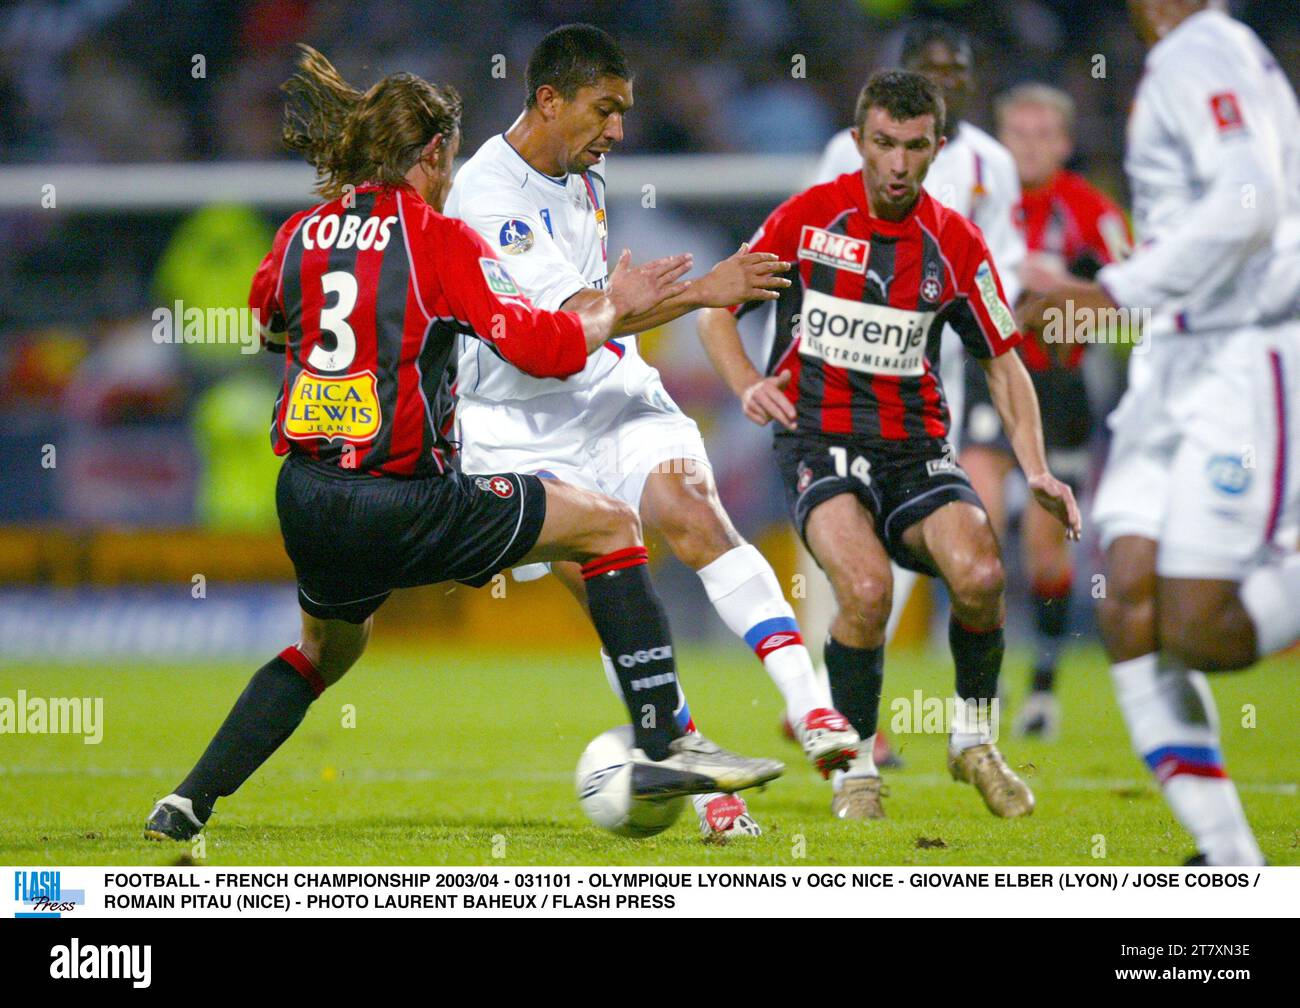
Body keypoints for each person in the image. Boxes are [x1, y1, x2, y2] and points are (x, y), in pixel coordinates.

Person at [145, 46, 783, 842]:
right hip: (406, 500)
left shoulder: (300, 236)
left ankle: (187, 800)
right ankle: (667, 741)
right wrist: (614, 308)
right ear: (435, 153)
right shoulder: (439, 241)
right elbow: (545, 350)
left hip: (306, 496)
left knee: (324, 651)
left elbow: (271, 321)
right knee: (610, 524)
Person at [445, 23, 858, 840]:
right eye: (605, 110)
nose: (619, 130)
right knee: (613, 602)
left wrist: (657, 298)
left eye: (624, 111)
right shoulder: (487, 195)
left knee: (694, 514)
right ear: (549, 99)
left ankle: (815, 713)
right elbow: (573, 320)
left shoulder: (583, 171)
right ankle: (707, 791)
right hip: (516, 424)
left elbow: (602, 325)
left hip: (605, 387)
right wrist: (710, 291)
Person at [699, 70, 1080, 821]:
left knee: (979, 572)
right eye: (883, 145)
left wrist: (1034, 467)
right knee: (867, 590)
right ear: (858, 141)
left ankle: (973, 741)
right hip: (818, 438)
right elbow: (718, 307)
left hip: (914, 447)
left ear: (938, 148)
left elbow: (1002, 359)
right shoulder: (807, 220)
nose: (898, 164)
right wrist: (747, 381)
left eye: (914, 147)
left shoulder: (956, 241)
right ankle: (855, 767)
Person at [1019, 0, 1300, 865]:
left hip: (1240, 355)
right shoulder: (1198, 56)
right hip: (1174, 359)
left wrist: (1113, 292)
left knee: (1201, 628)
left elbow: (1249, 204)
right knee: (1129, 597)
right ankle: (1230, 862)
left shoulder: (1200, 57)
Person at [810, 20, 1026, 766]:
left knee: (968, 548)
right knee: (864, 562)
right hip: (845, 387)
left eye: (957, 66)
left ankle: (957, 717)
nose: (949, 77)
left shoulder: (990, 164)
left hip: (947, 384)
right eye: (932, 66)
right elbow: (813, 244)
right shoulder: (845, 150)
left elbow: (1002, 277)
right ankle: (846, 712)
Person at [960, 83, 1132, 738]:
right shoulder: (979, 204)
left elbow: (1133, 302)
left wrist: (1065, 289)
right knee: (971, 520)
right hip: (992, 375)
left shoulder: (1092, 212)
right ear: (1002, 139)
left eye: (1043, 134)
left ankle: (1042, 689)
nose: (1029, 146)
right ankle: (984, 673)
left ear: (1064, 143)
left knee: (1046, 555)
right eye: (1018, 133)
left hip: (1059, 386)